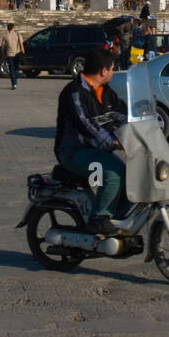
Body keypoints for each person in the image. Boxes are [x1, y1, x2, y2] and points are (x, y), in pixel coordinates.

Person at [55, 48, 128, 235]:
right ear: (104, 71)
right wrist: (113, 142)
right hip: (74, 152)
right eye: (112, 69)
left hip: (96, 151)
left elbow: (121, 113)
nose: (113, 72)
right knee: (113, 173)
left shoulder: (105, 91)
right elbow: (85, 125)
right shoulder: (74, 92)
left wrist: (142, 125)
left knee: (133, 174)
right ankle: (99, 218)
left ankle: (117, 219)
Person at [2, 22, 23, 89]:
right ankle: (15, 82)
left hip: (9, 54)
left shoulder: (5, 36)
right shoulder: (18, 34)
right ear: (13, 27)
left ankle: (13, 83)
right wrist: (23, 52)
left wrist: (3, 54)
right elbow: (21, 44)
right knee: (16, 68)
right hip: (17, 54)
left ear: (7, 28)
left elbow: (3, 47)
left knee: (11, 69)